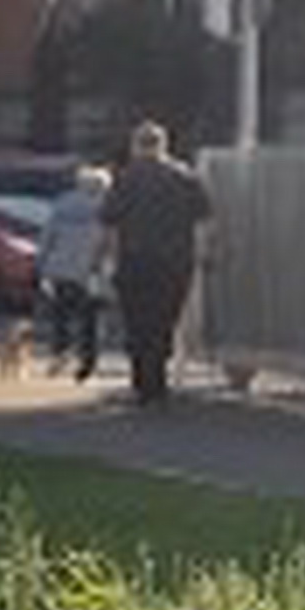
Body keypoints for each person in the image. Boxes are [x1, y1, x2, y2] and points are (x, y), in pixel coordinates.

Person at [100, 118, 213, 407]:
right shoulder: (185, 177)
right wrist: (201, 254)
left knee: (137, 322)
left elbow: (110, 224)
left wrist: (109, 259)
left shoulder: (125, 179)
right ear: (164, 145)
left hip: (134, 259)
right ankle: (158, 383)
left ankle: (142, 383)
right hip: (175, 260)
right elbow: (203, 219)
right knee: (164, 321)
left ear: (136, 146)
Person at [32, 163, 110, 379]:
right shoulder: (107, 207)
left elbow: (48, 235)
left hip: (60, 268)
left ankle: (60, 354)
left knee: (61, 316)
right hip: (91, 272)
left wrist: (41, 264)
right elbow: (110, 241)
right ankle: (88, 361)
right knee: (89, 319)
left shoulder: (63, 203)